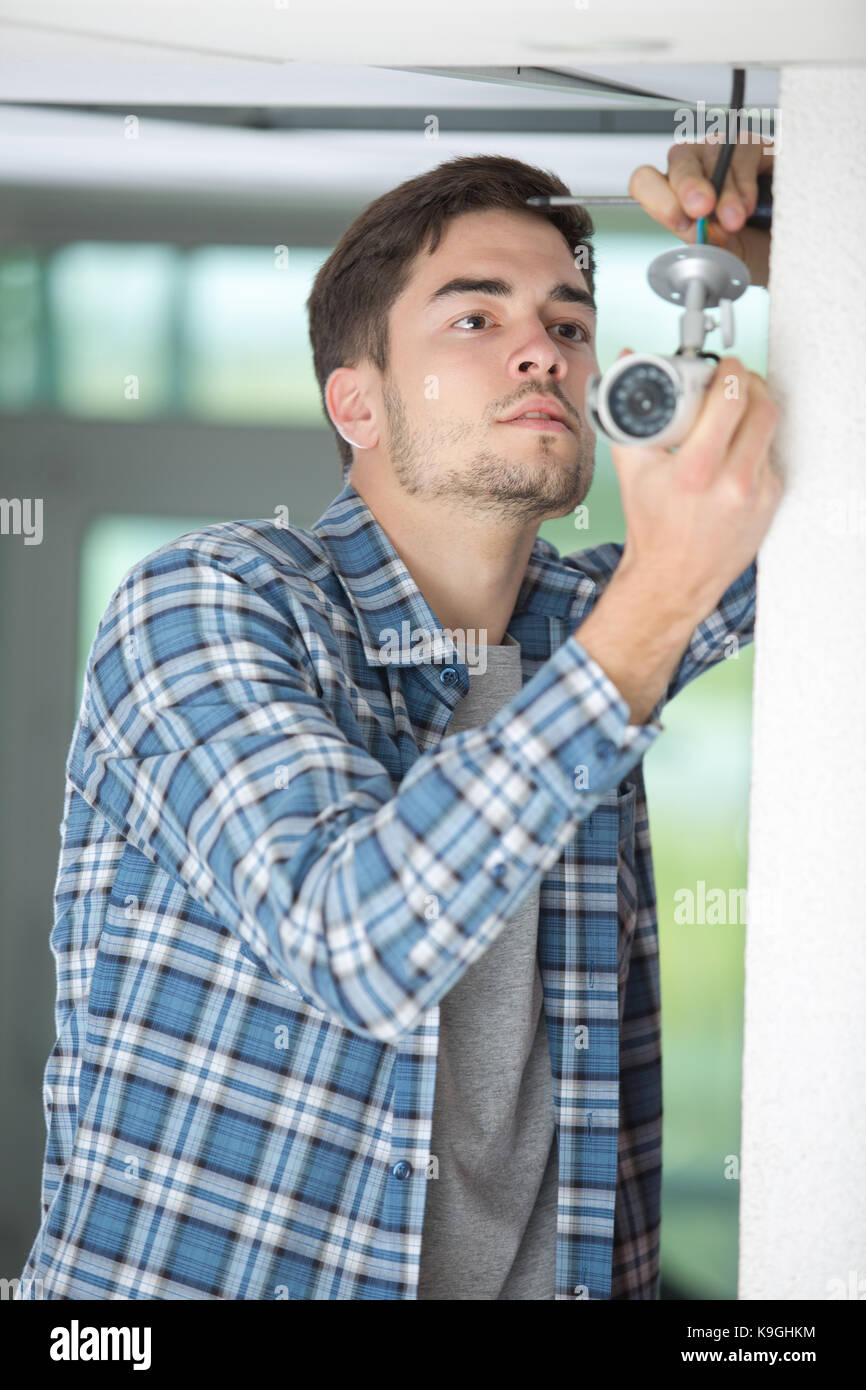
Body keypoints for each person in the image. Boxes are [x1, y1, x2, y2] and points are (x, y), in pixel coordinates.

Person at [16, 138, 780, 1301]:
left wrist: (808, 264)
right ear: (357, 401)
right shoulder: (214, 599)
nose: (545, 348)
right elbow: (352, 941)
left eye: (570, 324)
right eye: (475, 320)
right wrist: (654, 610)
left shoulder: (593, 622)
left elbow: (837, 513)